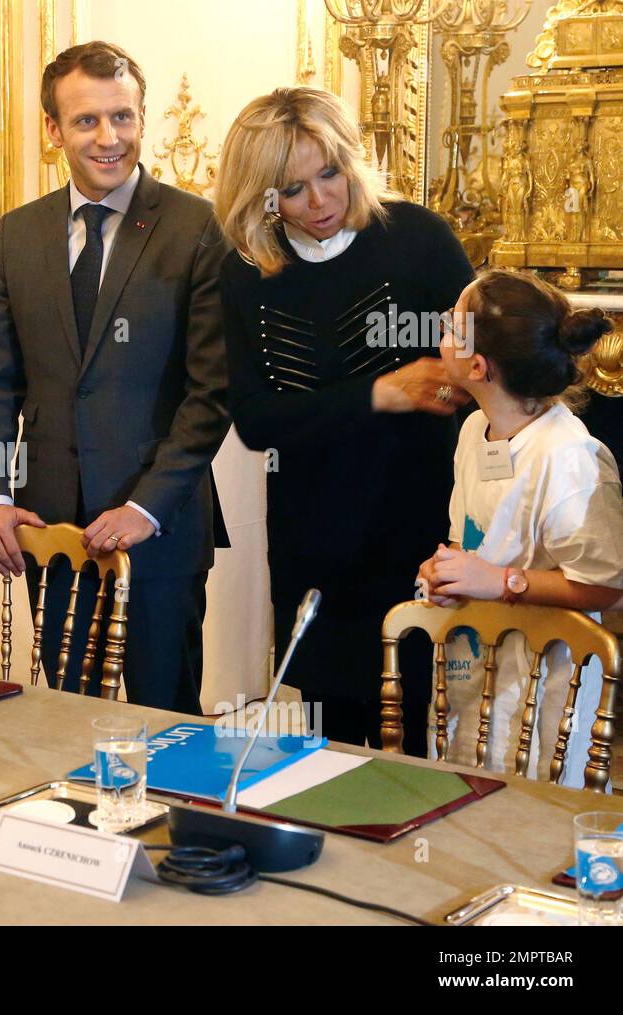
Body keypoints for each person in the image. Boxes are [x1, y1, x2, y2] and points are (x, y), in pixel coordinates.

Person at [0, 41, 231, 713]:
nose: (110, 138)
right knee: (70, 716)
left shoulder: (197, 225)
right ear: (53, 129)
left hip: (160, 528)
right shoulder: (18, 234)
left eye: (124, 117)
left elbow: (212, 391)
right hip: (49, 525)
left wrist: (145, 506)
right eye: (87, 121)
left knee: (165, 717)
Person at [214, 87, 475, 751]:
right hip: (313, 540)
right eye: (292, 189)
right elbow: (255, 419)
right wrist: (381, 392)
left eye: (329, 173)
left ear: (350, 161)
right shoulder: (247, 272)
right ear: (261, 196)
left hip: (418, 528)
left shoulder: (417, 239)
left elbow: (481, 371)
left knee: (418, 737)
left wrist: (453, 382)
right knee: (327, 745)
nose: (320, 201)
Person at [419, 269, 623, 787]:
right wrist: (448, 570)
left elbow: (608, 583)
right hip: (475, 661)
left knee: (524, 813)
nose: (441, 323)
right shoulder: (474, 429)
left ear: (478, 366)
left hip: (543, 683)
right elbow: (476, 537)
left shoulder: (568, 458)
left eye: (453, 324)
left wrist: (502, 581)